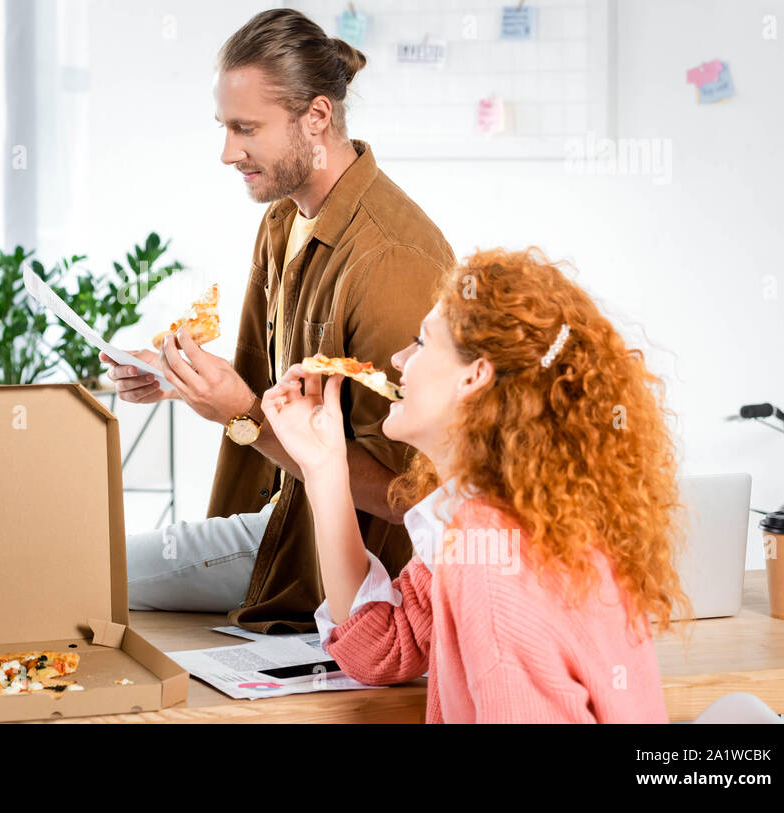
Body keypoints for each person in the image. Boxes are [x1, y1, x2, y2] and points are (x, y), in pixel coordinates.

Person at [105, 8, 454, 630]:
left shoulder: (391, 259)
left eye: (246, 128)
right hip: (277, 515)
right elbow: (263, 384)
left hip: (336, 560)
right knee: (91, 567)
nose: (226, 152)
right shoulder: (284, 219)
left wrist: (239, 413)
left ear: (316, 117)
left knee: (90, 572)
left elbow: (409, 497)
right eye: (224, 126)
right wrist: (176, 376)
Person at [262, 247, 693, 721]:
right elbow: (382, 648)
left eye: (421, 342)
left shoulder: (491, 559)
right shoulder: (508, 521)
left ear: (474, 377)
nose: (398, 358)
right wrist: (324, 469)